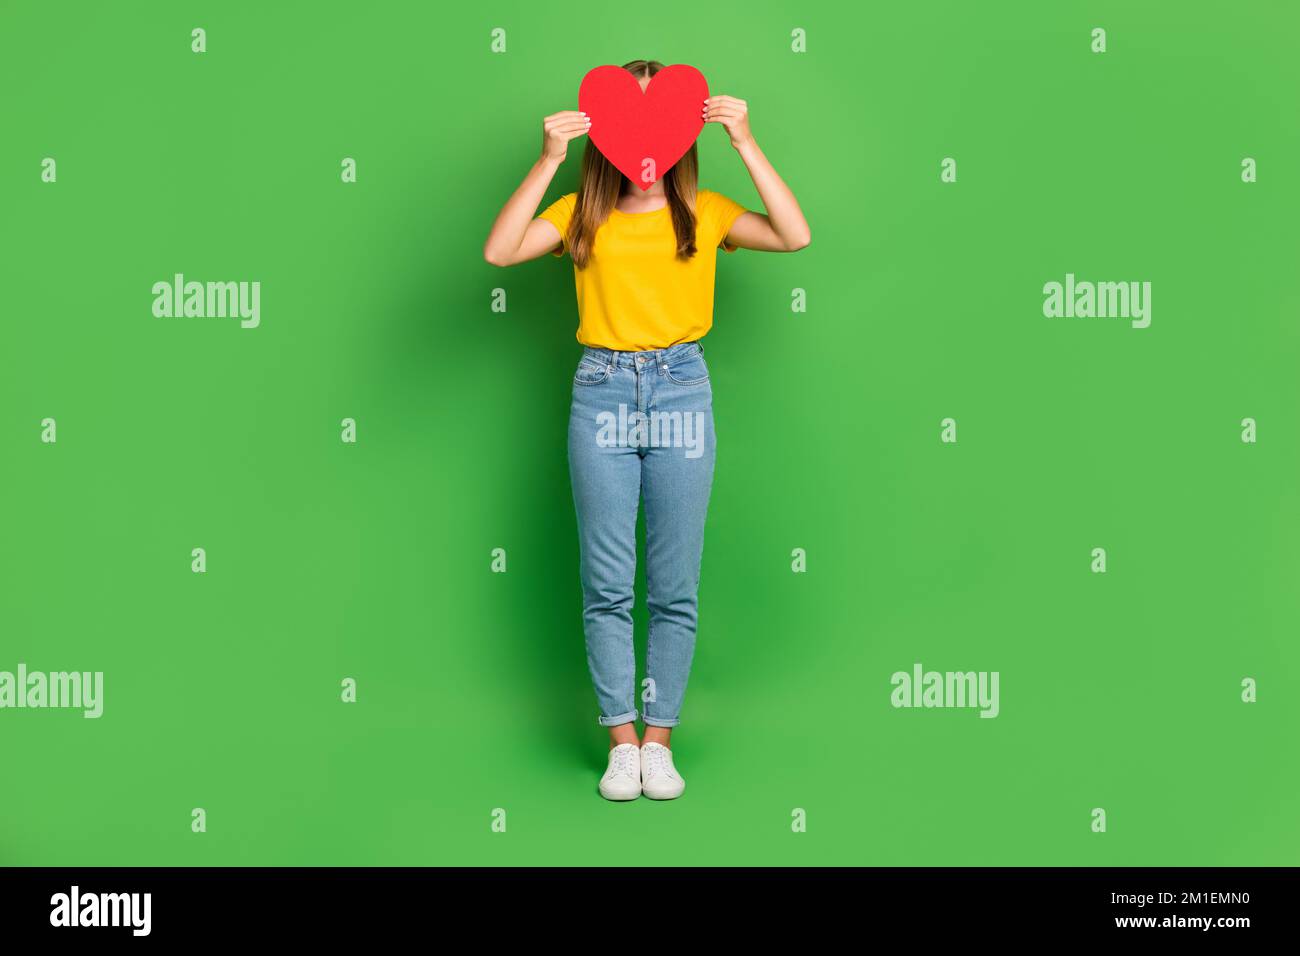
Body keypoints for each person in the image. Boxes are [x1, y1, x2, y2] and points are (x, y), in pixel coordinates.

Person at [483, 59, 810, 801]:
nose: (643, 153)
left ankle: (659, 742)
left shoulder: (705, 213)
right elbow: (500, 251)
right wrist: (545, 162)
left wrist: (749, 143)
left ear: (679, 136)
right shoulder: (579, 215)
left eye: (656, 130)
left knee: (673, 584)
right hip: (600, 392)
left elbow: (794, 234)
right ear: (607, 140)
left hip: (682, 393)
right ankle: (620, 741)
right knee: (606, 584)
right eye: (627, 132)